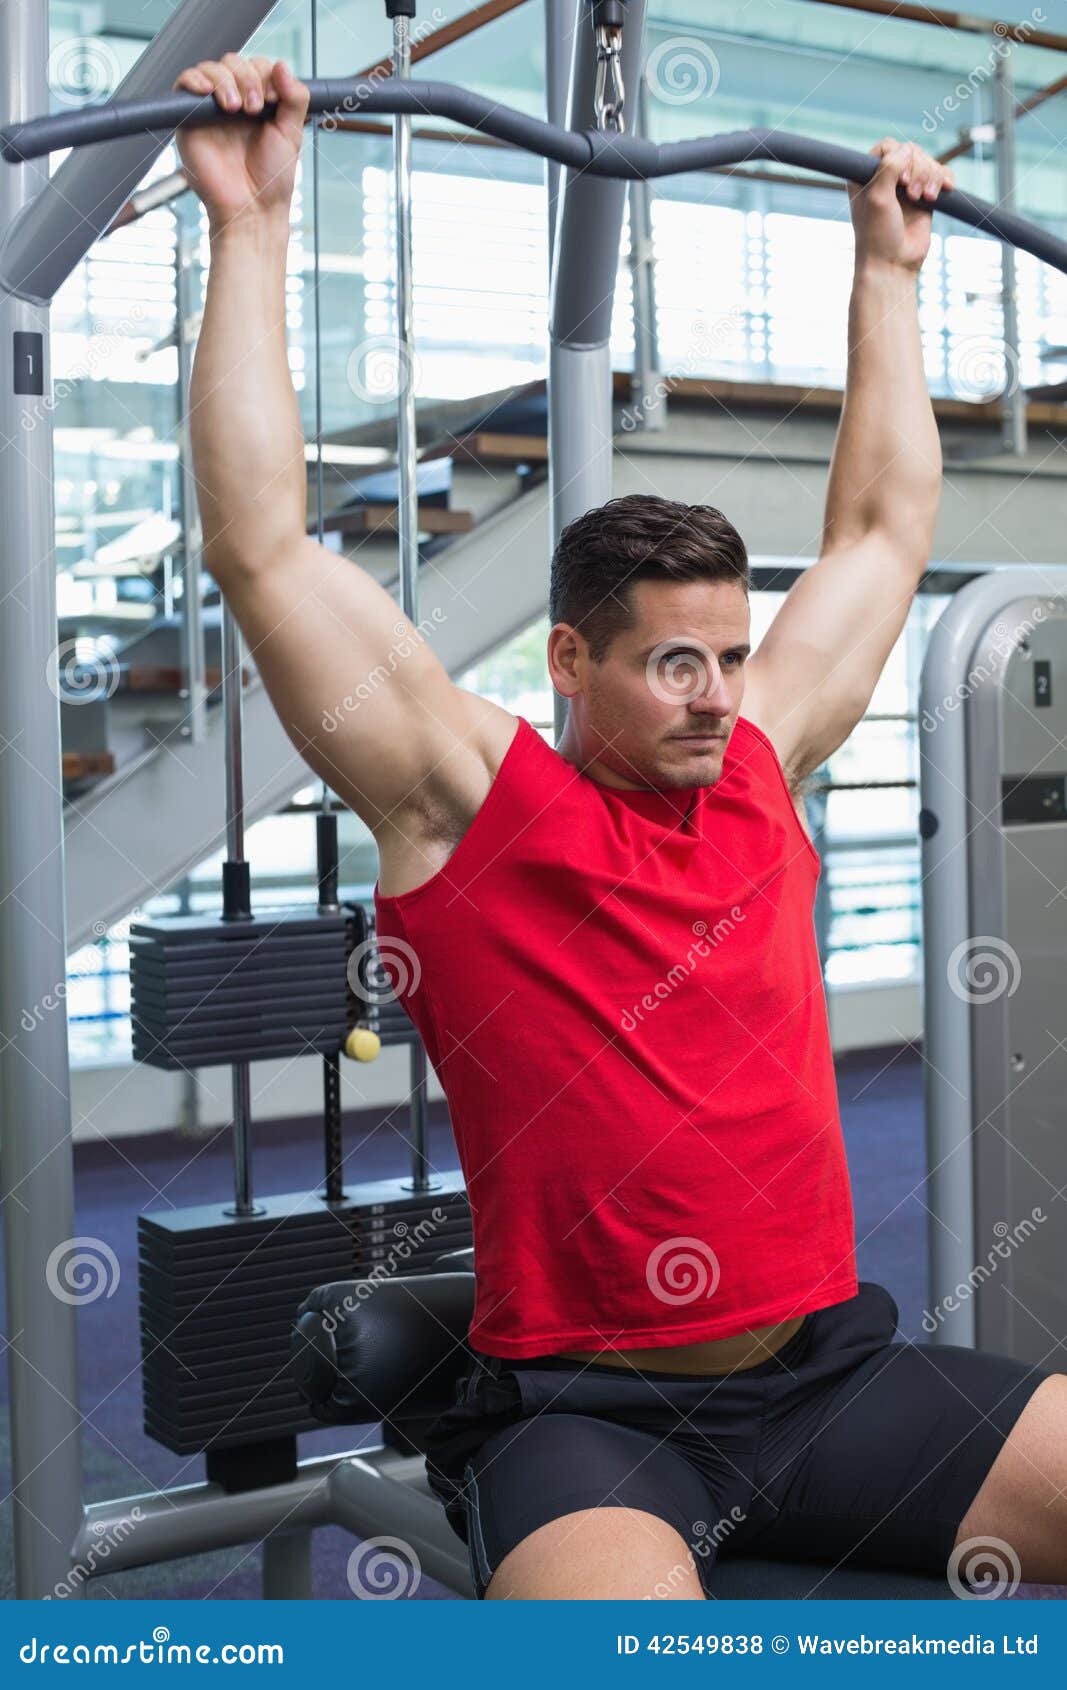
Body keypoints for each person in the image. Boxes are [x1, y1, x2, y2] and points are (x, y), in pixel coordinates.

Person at [173, 55, 1067, 1601]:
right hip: (593, 1419)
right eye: (674, 662)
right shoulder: (466, 801)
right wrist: (251, 229)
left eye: (729, 654)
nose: (720, 694)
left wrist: (884, 274)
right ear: (572, 660)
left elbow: (877, 533)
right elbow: (259, 548)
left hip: (826, 1372)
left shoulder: (759, 765)